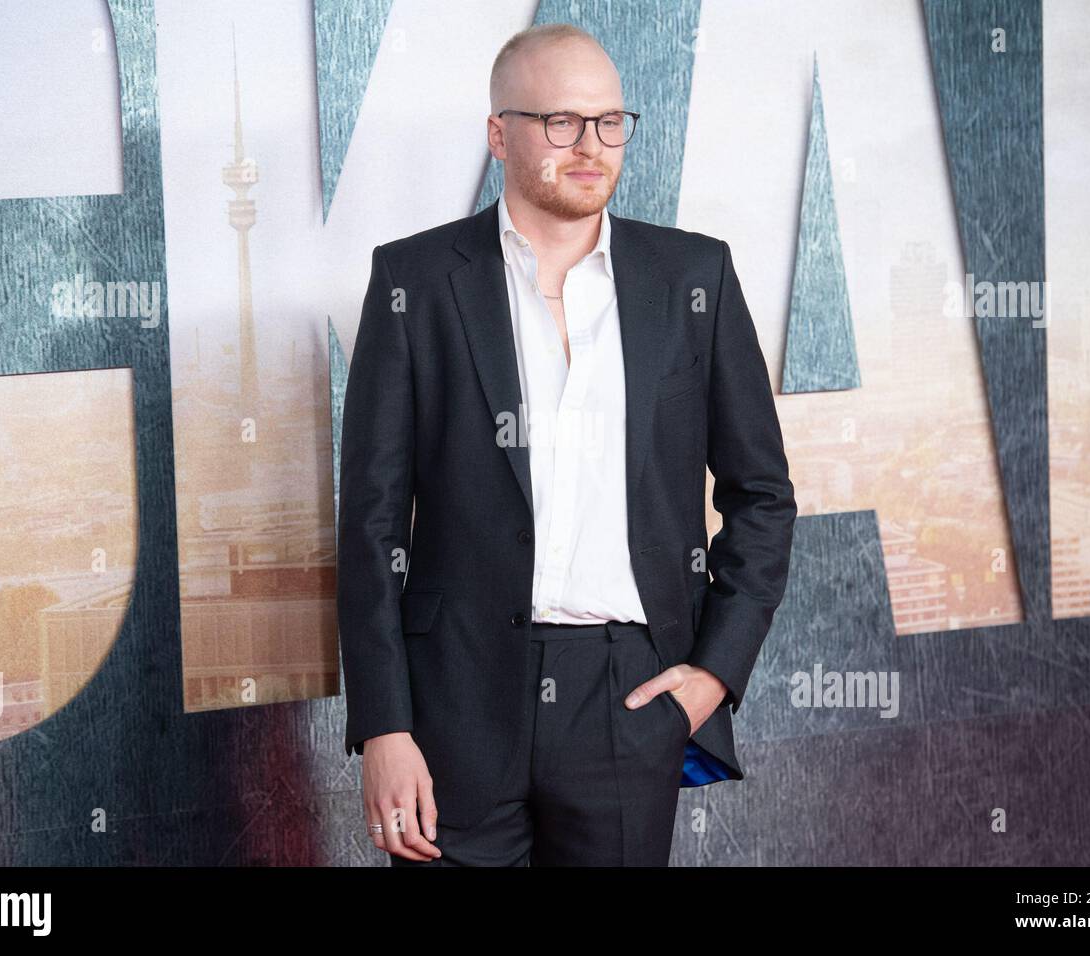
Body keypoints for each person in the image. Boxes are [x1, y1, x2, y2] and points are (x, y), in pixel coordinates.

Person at [337, 22, 796, 866]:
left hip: (627, 696)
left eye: (609, 121)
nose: (591, 147)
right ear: (498, 134)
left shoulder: (694, 277)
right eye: (560, 123)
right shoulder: (414, 281)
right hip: (455, 704)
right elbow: (370, 524)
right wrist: (384, 725)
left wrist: (710, 678)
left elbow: (762, 495)